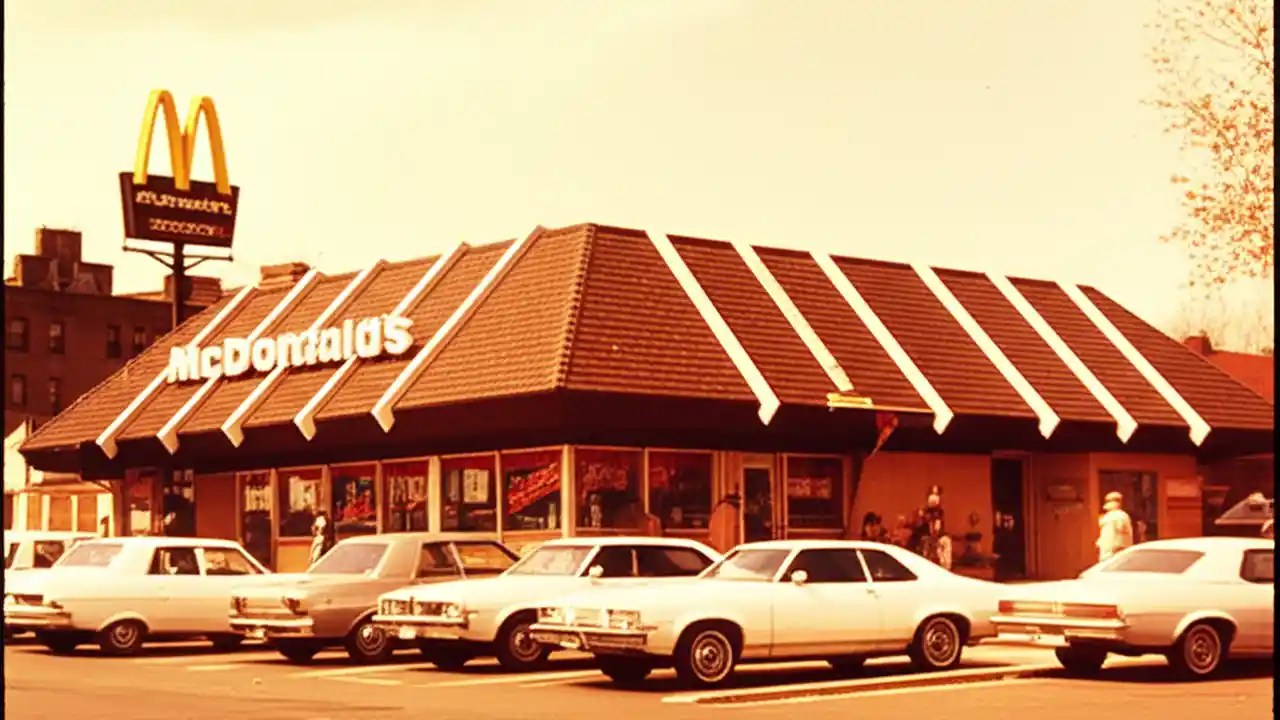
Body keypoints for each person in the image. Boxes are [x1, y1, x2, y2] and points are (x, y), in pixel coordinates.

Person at [1096, 491, 1134, 562]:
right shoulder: (1108, 516)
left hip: (1115, 553)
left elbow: (1121, 532)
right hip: (1107, 552)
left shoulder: (1120, 516)